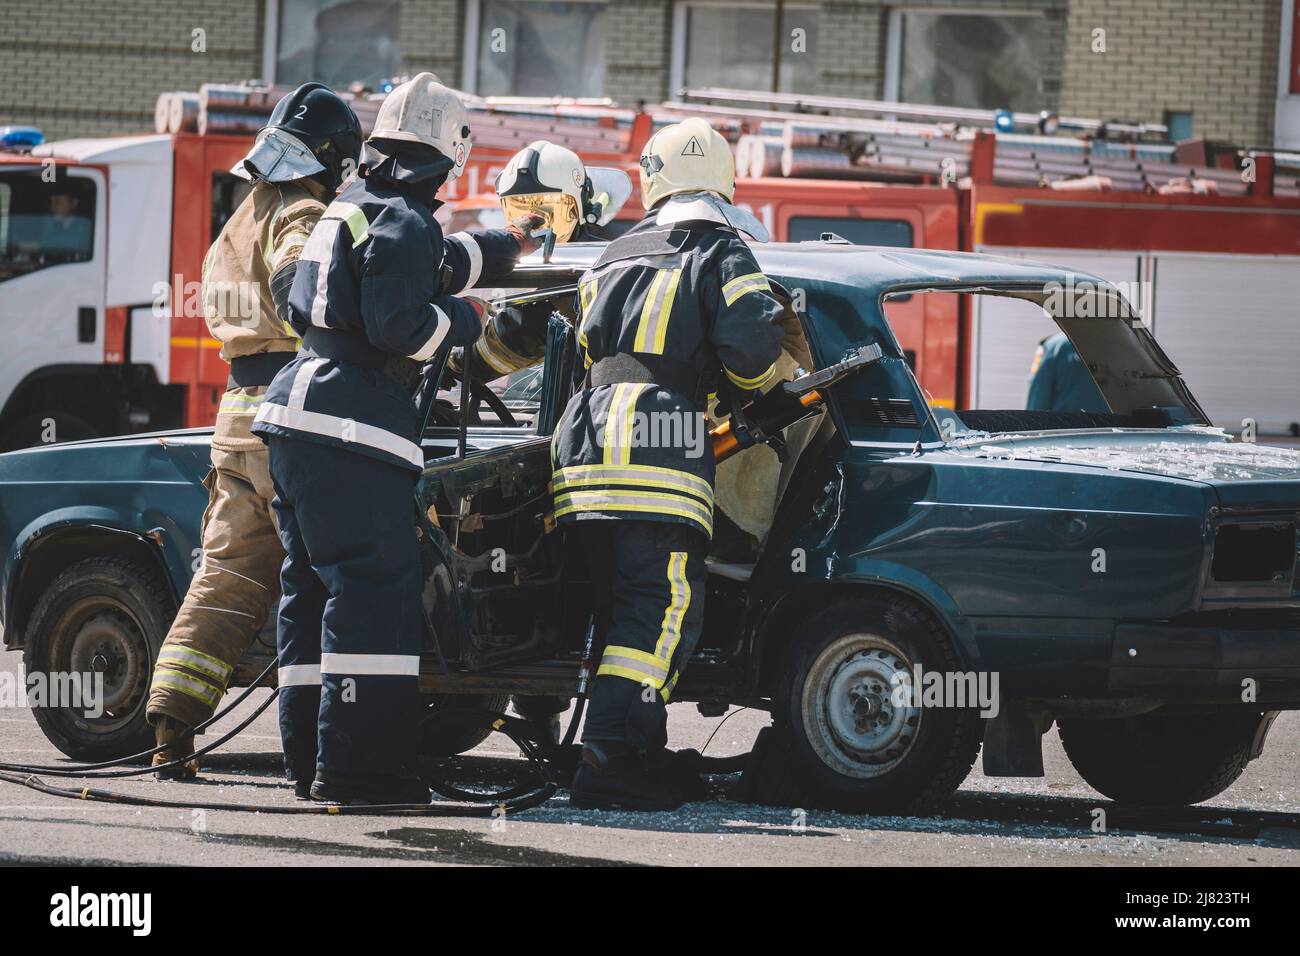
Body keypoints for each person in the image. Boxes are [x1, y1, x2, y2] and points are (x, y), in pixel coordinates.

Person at [249, 73, 538, 806]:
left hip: (294, 420)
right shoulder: (406, 221)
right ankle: (363, 774)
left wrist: (508, 243)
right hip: (352, 429)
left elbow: (342, 291)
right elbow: (399, 324)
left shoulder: (349, 210)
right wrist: (469, 319)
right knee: (373, 595)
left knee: (310, 593)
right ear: (450, 153)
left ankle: (309, 767)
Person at [551, 117, 786, 810]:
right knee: (659, 610)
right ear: (722, 182)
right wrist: (753, 392)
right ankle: (612, 762)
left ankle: (619, 750)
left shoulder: (611, 252)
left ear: (654, 180)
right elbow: (751, 355)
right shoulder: (720, 250)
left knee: (613, 610)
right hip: (656, 456)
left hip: (584, 451)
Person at [145, 83, 362, 779]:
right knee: (337, 575)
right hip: (293, 412)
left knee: (227, 575)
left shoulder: (235, 223)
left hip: (236, 415)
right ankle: (344, 739)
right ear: (332, 159)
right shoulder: (302, 208)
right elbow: (302, 286)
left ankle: (171, 725)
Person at [1026, 331, 1107, 412]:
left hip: (1065, 422)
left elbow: (1037, 400)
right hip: (1110, 422)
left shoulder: (1053, 345)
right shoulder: (1113, 342)